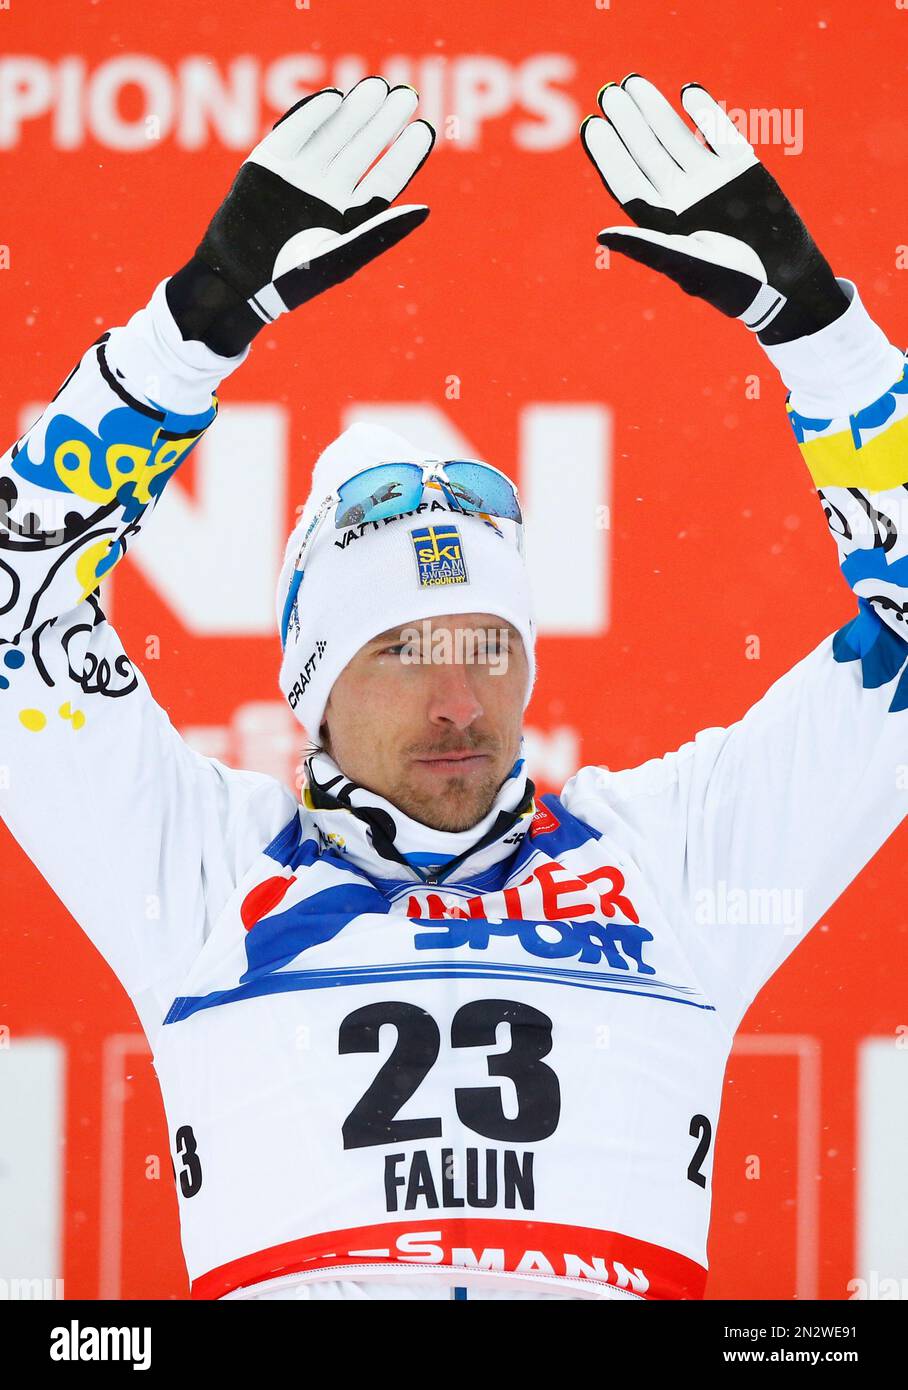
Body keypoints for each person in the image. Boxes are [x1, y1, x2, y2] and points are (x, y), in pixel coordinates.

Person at [1, 73, 905, 1303]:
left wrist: (825, 339)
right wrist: (187, 329)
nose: (458, 700)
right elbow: (20, 621)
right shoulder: (199, 871)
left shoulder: (675, 860)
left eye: (487, 643)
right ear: (309, 682)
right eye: (401, 648)